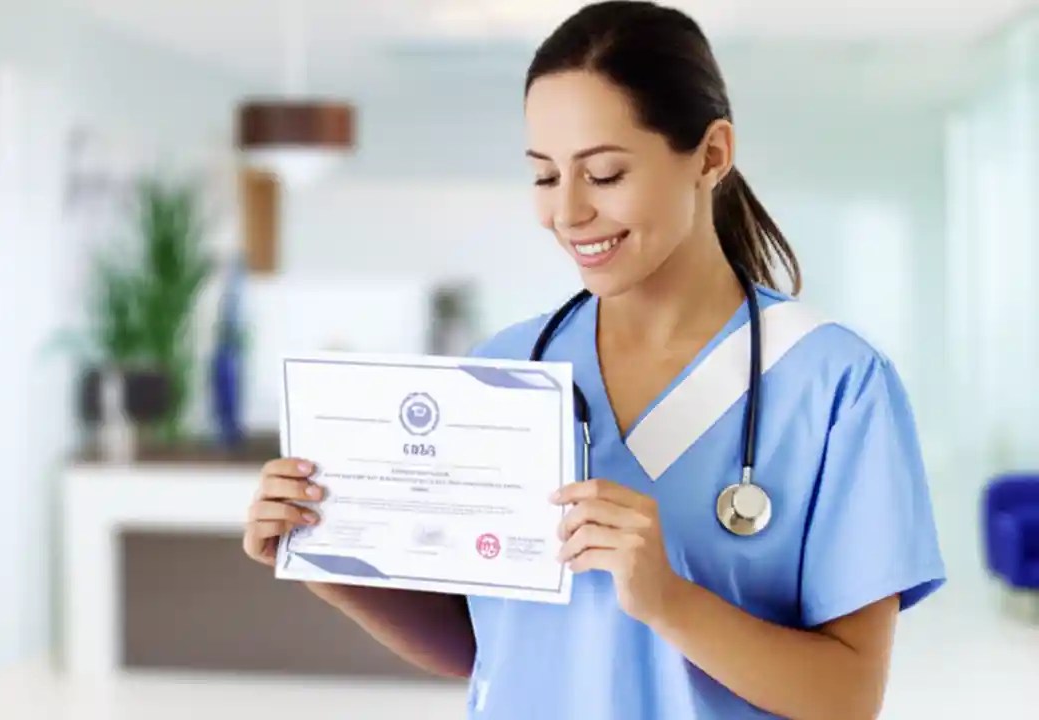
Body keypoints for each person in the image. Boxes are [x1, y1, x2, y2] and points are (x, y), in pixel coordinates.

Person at [242, 2, 946, 717]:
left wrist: (670, 601)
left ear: (711, 154)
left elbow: (847, 697)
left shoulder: (835, 385)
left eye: (604, 174)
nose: (567, 212)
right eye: (545, 177)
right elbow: (486, 644)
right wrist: (330, 563)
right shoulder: (507, 369)